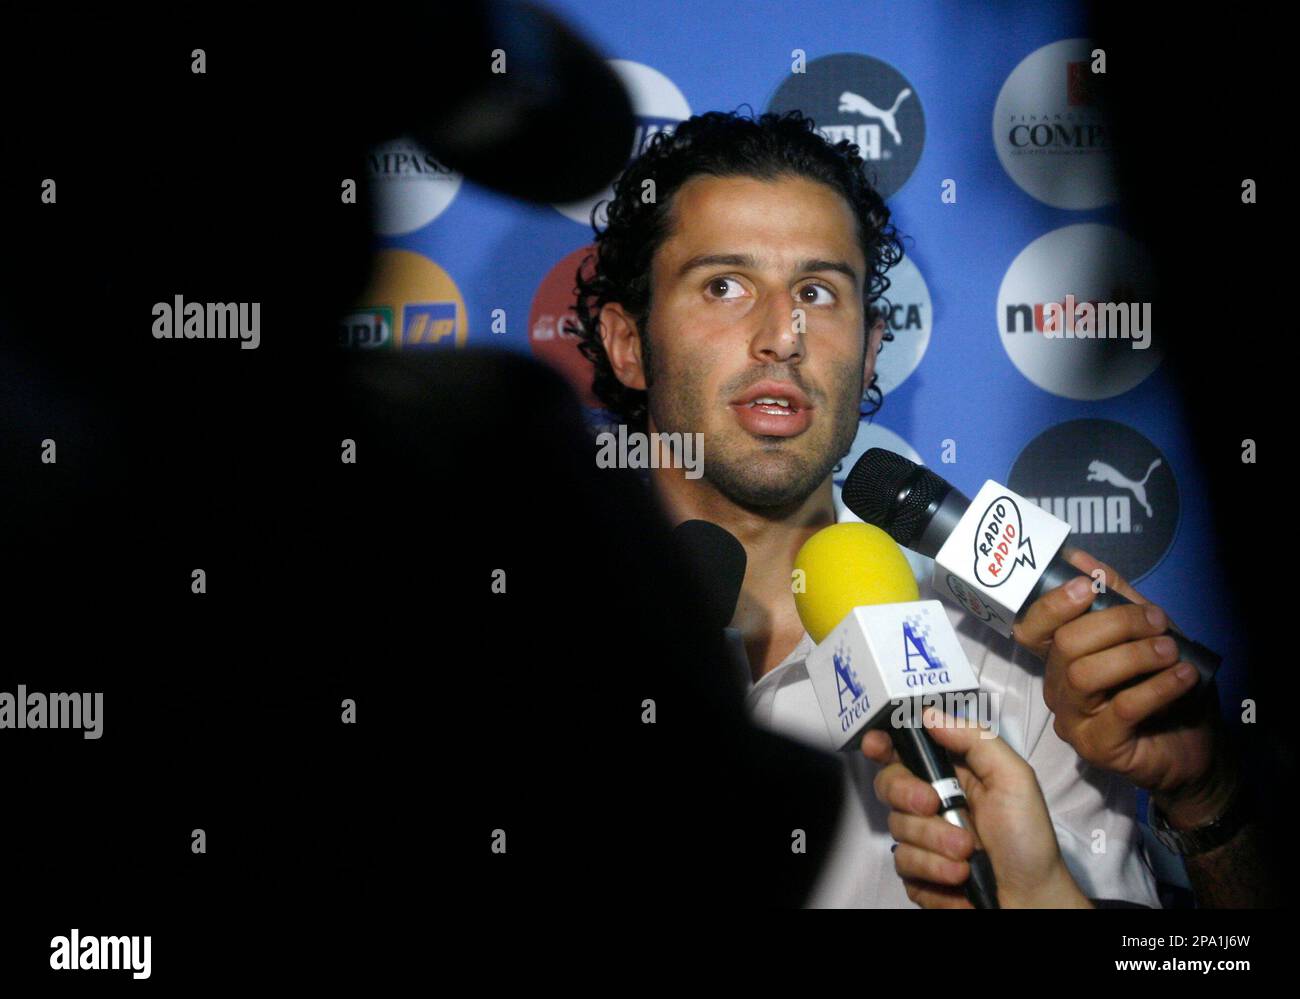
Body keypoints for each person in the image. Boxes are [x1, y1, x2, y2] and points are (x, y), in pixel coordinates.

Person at [570, 108, 1161, 906]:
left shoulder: (1017, 672)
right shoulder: (533, 645)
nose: (783, 335)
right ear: (628, 344)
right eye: (725, 285)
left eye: (816, 290)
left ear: (872, 346)